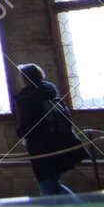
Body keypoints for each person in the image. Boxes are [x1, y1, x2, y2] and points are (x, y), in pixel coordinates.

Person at [14, 64, 84, 198]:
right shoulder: (50, 89)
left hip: (42, 147)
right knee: (53, 185)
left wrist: (22, 135)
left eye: (20, 77)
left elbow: (27, 123)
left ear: (25, 78)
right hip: (60, 142)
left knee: (46, 186)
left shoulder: (27, 96)